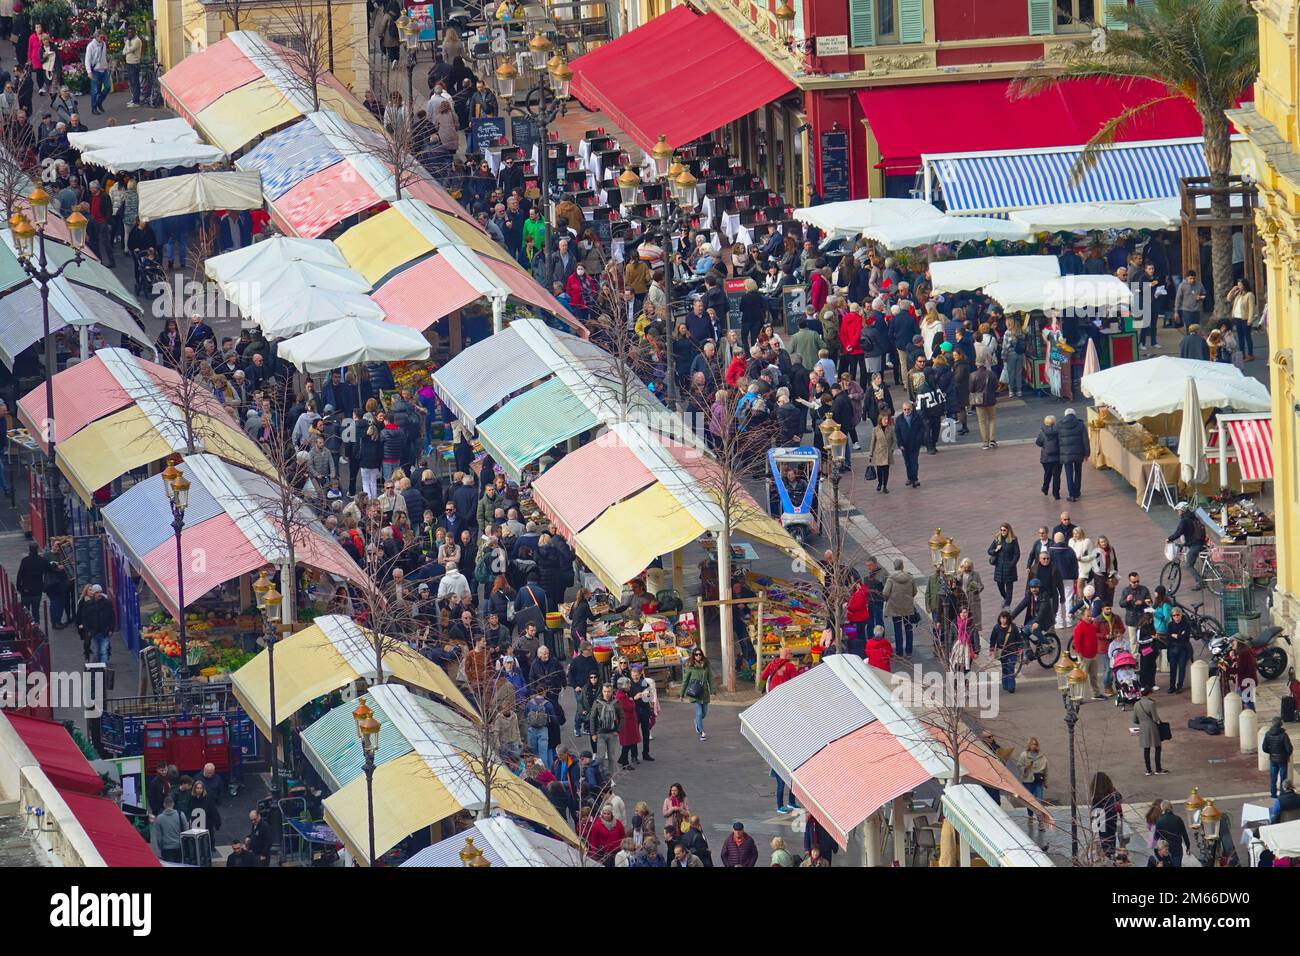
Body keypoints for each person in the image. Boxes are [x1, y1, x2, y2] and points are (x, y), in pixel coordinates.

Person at [882, 559, 917, 656]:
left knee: (897, 630)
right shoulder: (910, 577)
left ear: (894, 566)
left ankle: (899, 651)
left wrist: (888, 599)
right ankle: (909, 651)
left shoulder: (891, 579)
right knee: (908, 629)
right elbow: (915, 591)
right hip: (907, 607)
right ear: (902, 566)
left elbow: (885, 592)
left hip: (895, 607)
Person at [680, 648, 715, 740]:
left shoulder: (706, 666)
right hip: (694, 693)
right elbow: (685, 680)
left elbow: (710, 678)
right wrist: (681, 694)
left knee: (704, 714)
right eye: (696, 654)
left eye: (700, 654)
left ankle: (697, 722)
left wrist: (713, 691)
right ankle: (702, 732)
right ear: (693, 656)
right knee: (699, 713)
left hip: (704, 692)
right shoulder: (690, 666)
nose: (698, 656)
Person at [588, 682, 621, 779]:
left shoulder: (616, 702)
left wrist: (618, 730)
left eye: (609, 691)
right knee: (600, 757)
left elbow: (622, 717)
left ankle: (610, 778)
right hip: (601, 734)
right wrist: (593, 733)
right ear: (602, 691)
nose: (607, 693)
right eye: (605, 691)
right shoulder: (597, 702)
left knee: (612, 757)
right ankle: (602, 776)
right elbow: (592, 718)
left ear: (612, 692)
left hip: (612, 733)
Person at [1133, 687, 1168, 776]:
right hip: (1152, 727)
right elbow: (1155, 718)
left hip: (1143, 728)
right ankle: (1158, 769)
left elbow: (1135, 720)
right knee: (1157, 747)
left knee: (1146, 749)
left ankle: (1148, 770)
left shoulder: (1136, 704)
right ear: (1149, 693)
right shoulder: (1151, 703)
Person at [1057, 408, 1090, 501]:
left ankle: (1071, 494)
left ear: (1065, 415)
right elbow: (1085, 440)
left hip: (1065, 454)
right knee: (1078, 472)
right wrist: (1087, 453)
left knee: (1068, 473)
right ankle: (1077, 491)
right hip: (1078, 453)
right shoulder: (1080, 424)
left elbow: (1057, 440)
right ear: (1074, 414)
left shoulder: (1059, 425)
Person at [1089, 772, 1123, 860]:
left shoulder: (1096, 800)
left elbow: (1095, 823)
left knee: (1104, 854)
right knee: (1111, 850)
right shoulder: (1114, 795)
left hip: (1102, 830)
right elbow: (1119, 798)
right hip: (1112, 826)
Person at [988, 610, 1023, 693]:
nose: (1003, 620)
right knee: (1004, 668)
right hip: (1002, 652)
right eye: (1001, 618)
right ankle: (1005, 685)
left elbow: (1019, 638)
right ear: (999, 619)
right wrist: (992, 649)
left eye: (1004, 618)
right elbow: (993, 639)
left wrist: (1020, 647)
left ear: (1008, 619)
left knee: (1010, 667)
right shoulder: (996, 628)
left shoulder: (1013, 627)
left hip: (1012, 651)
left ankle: (1011, 687)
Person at [1015, 738, 1048, 827]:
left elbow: (1046, 770)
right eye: (1033, 744)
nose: (1035, 746)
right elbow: (1019, 766)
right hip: (1028, 781)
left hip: (1038, 782)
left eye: (1036, 744)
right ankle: (1030, 817)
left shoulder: (1042, 756)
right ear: (1029, 745)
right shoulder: (1024, 755)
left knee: (1039, 801)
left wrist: (1045, 781)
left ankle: (1040, 821)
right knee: (1029, 801)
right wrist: (1026, 767)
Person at [894, 401, 925, 488]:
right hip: (904, 445)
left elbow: (922, 429)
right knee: (907, 462)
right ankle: (910, 478)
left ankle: (914, 479)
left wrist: (919, 439)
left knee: (914, 461)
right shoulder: (899, 419)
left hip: (915, 444)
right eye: (905, 409)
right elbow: (897, 432)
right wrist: (900, 444)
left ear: (911, 409)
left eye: (908, 409)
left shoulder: (917, 417)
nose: (907, 411)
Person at [1152, 800, 1192, 867]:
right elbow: (1185, 834)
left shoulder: (1159, 821)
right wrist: (1188, 847)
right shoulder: (1178, 819)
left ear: (1162, 809)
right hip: (1177, 850)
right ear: (1171, 808)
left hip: (1165, 850)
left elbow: (1155, 837)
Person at [1262, 716, 1293, 798]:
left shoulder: (1268, 734)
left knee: (1273, 778)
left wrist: (1271, 752)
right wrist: (1287, 755)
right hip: (1283, 760)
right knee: (1283, 778)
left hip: (1273, 759)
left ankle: (1273, 795)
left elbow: (1264, 748)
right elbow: (1289, 748)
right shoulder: (1284, 735)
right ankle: (1282, 795)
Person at [150, 795, 187, 863]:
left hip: (166, 849)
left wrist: (159, 850)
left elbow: (158, 836)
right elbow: (186, 831)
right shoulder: (181, 814)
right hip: (179, 847)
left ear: (164, 804)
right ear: (173, 804)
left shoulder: (159, 818)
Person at [1036, 415, 1062, 500]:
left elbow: (1038, 443)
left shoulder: (1042, 432)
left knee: (1047, 473)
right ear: (1054, 422)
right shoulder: (1058, 432)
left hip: (1045, 457)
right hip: (1057, 457)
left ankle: (1045, 488)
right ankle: (1056, 493)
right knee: (1057, 476)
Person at [869, 411, 895, 492]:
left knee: (886, 471)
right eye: (885, 419)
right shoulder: (875, 430)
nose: (886, 421)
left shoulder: (890, 429)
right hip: (879, 453)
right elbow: (872, 442)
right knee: (879, 470)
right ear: (880, 420)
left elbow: (894, 440)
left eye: (887, 419)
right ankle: (880, 483)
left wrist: (892, 449)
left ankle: (885, 486)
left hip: (887, 453)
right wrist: (871, 454)